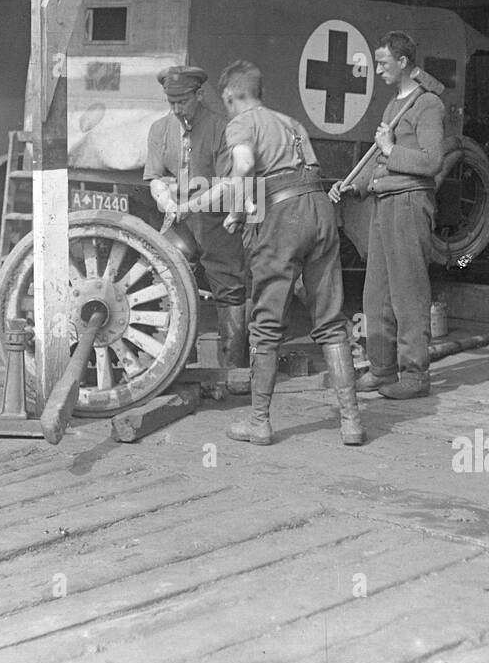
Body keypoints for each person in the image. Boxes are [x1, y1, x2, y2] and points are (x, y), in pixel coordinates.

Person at [177, 60, 362, 446]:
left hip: (283, 221)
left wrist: (198, 203)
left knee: (267, 319)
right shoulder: (291, 123)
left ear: (230, 96)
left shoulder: (241, 123)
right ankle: (351, 422)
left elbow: (244, 167)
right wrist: (239, 212)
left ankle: (259, 422)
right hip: (319, 210)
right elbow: (300, 173)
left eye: (225, 101)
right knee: (329, 317)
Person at [329, 31, 446, 400]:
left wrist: (392, 148)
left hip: (410, 204)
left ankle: (415, 375)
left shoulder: (428, 106)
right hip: (383, 203)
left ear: (404, 62)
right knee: (376, 292)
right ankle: (382, 369)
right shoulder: (394, 106)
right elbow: (377, 159)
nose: (376, 68)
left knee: (409, 294)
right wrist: (353, 186)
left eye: (382, 62)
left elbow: (431, 161)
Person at [144, 65, 248, 379]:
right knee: (174, 286)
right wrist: (166, 201)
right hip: (180, 223)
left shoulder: (222, 128)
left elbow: (228, 184)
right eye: (171, 102)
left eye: (183, 102)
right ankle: (179, 369)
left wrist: (189, 205)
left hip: (215, 221)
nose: (176, 109)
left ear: (199, 95)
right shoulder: (159, 129)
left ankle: (235, 372)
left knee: (229, 290)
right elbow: (155, 177)